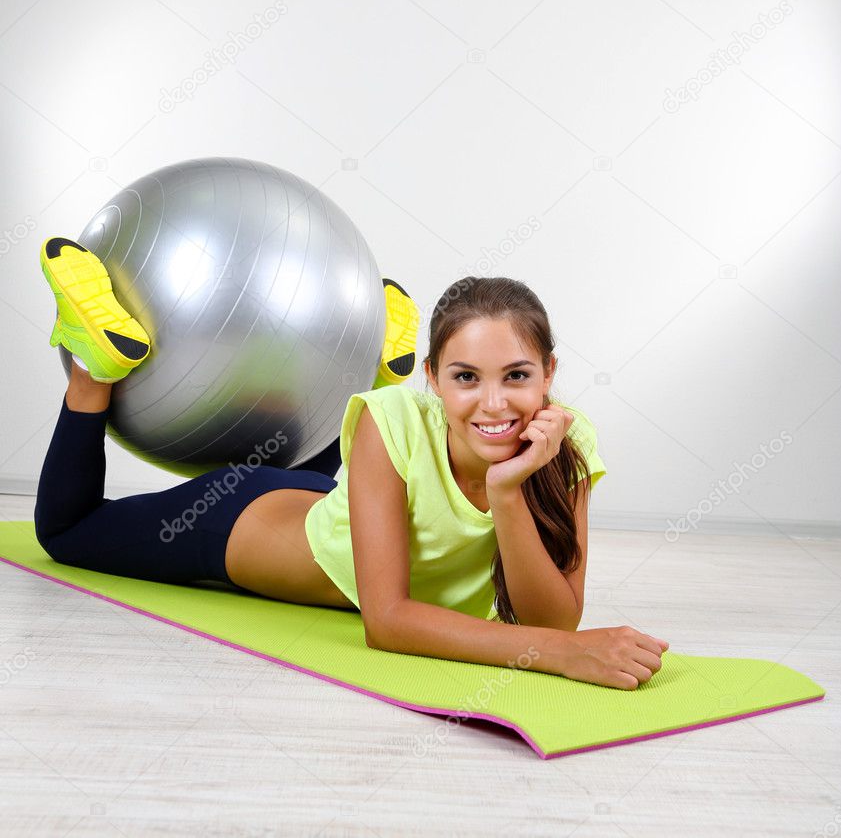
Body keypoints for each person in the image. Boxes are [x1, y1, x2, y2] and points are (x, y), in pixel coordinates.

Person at [35, 237, 669, 692]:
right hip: (242, 521)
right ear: (433, 380)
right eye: (466, 377)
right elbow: (388, 621)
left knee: (372, 455)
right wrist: (562, 656)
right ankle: (96, 366)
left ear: (550, 374)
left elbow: (551, 618)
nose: (495, 403)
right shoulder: (390, 419)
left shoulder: (565, 443)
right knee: (65, 532)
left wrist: (509, 493)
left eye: (518, 376)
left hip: (333, 492)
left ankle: (372, 363)